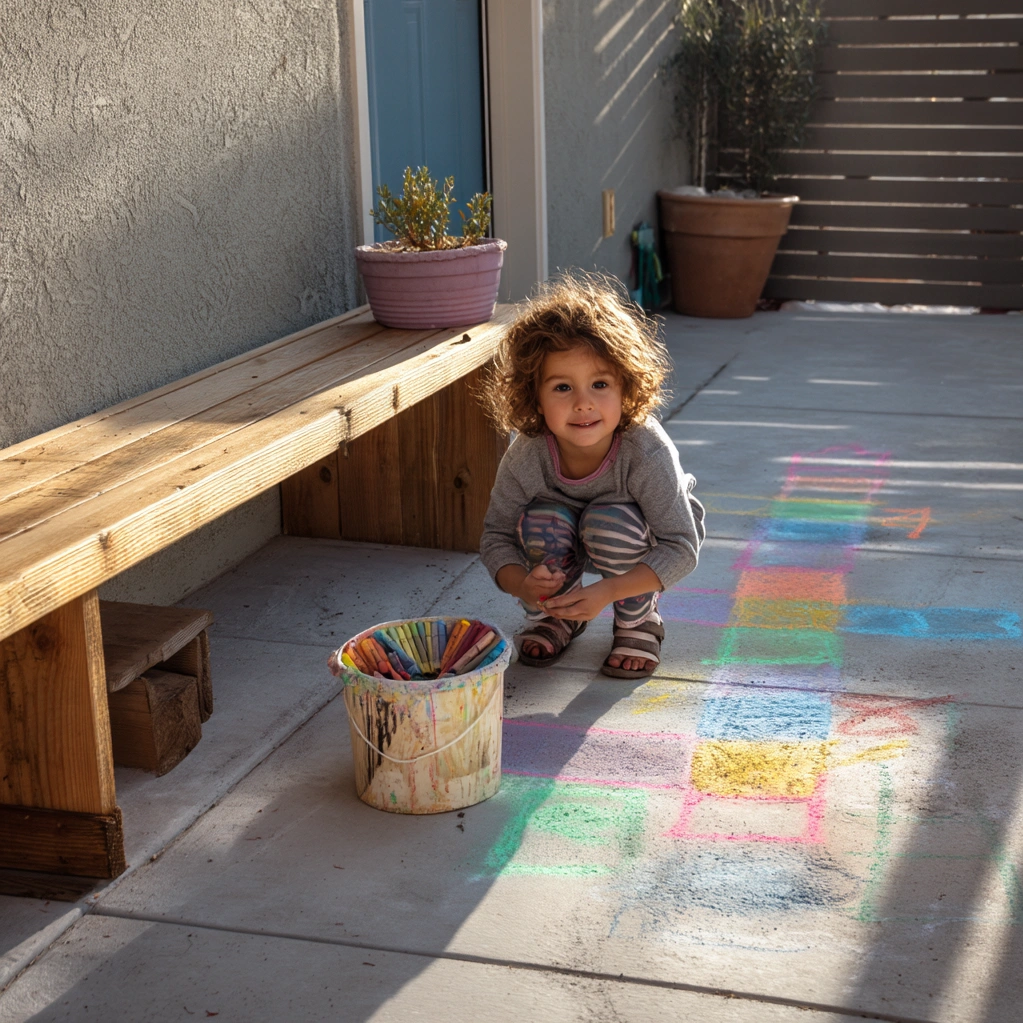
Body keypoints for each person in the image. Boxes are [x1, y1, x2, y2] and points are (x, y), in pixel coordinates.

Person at [478, 273, 706, 679]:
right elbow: (495, 535)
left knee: (609, 520)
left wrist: (607, 591)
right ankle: (559, 612)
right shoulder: (528, 454)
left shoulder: (644, 449)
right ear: (535, 396)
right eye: (563, 388)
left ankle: (638, 618)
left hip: (638, 534)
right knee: (542, 518)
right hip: (563, 536)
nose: (584, 404)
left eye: (600, 384)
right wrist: (522, 585)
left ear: (626, 387)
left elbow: (682, 545)